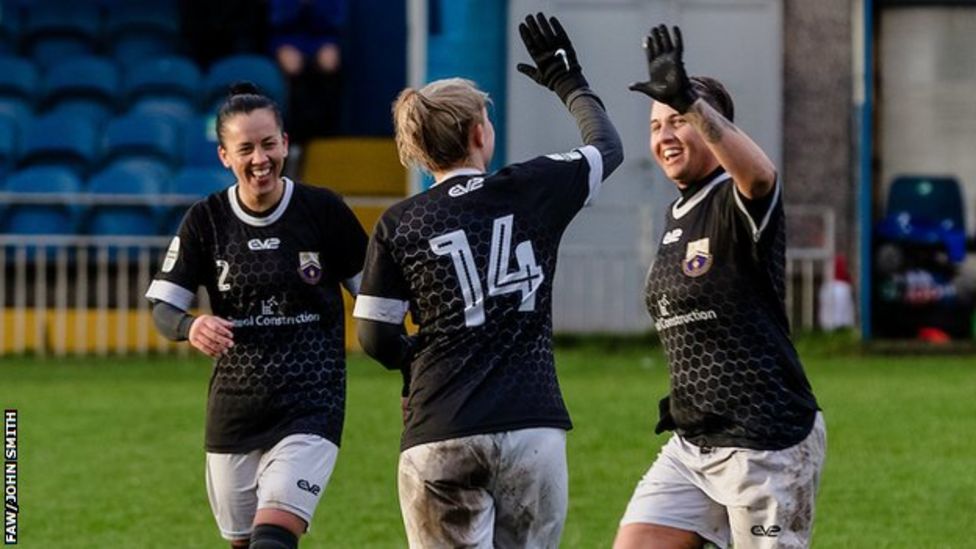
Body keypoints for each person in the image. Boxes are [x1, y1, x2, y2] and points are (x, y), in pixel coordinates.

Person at [352, 13, 623, 548]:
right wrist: (569, 83)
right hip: (531, 425)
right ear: (479, 132)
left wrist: (413, 359)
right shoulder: (530, 187)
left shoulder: (401, 222)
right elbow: (606, 146)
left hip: (440, 426)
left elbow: (372, 336)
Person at [613, 25, 826, 549]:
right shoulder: (678, 212)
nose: (664, 135)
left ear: (712, 128)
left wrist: (690, 98)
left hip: (766, 442)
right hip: (694, 444)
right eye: (656, 124)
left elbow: (760, 177)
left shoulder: (737, 199)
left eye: (678, 121)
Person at [144, 82, 368, 549]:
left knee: (274, 537)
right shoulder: (205, 220)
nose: (260, 158)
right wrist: (192, 325)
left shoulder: (322, 211)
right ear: (225, 155)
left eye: (269, 144)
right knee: (244, 542)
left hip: (311, 405)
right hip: (235, 412)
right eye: (246, 148)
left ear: (286, 143)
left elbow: (373, 298)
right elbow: (163, 308)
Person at [269, 0, 347, 142]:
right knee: (292, 64)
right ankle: (294, 130)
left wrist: (313, 6)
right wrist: (298, 5)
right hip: (288, 38)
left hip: (322, 38)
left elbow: (335, 20)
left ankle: (327, 128)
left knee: (329, 61)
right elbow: (277, 20)